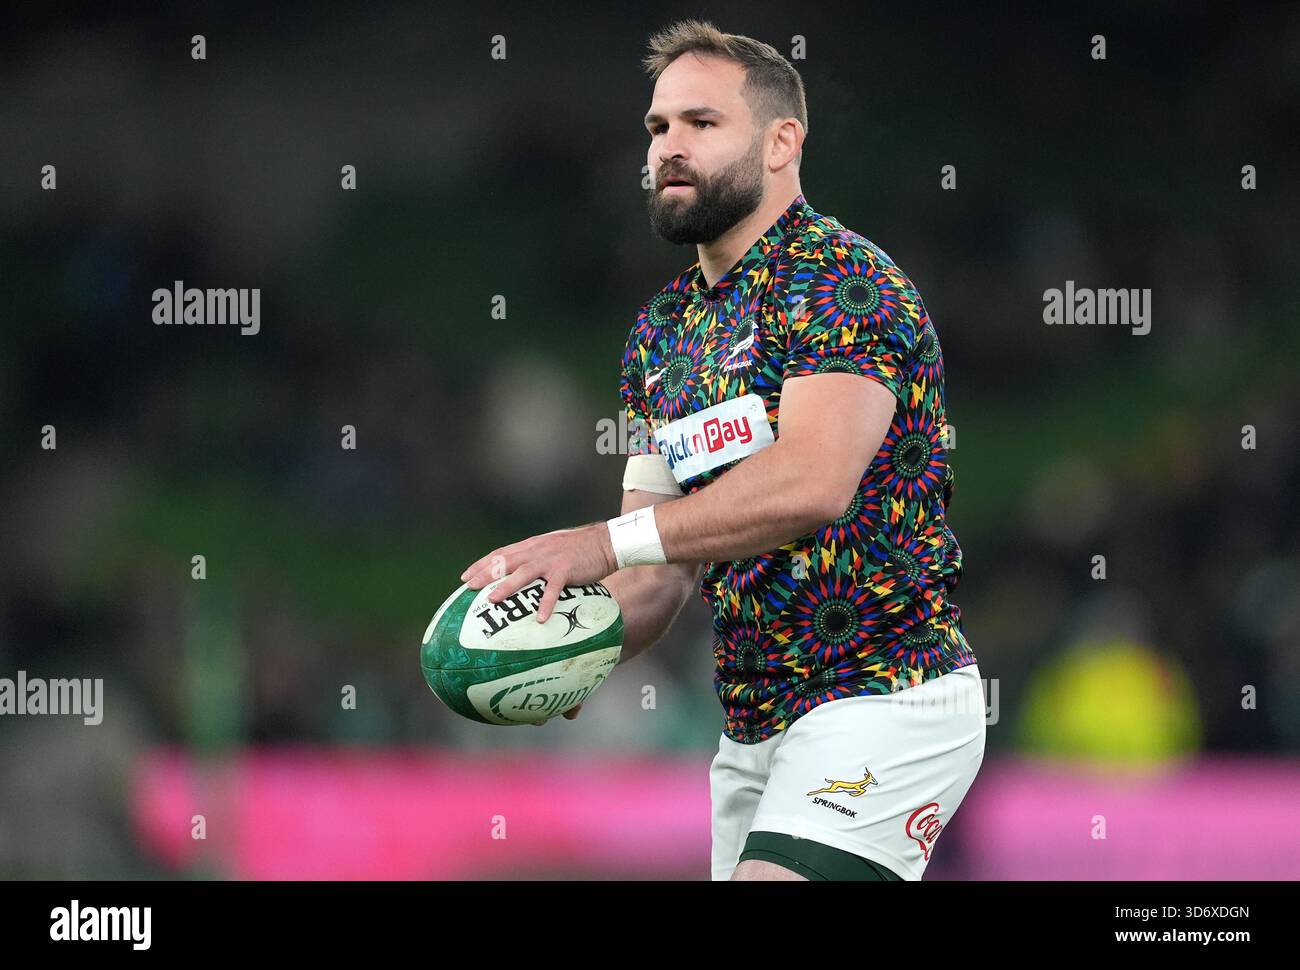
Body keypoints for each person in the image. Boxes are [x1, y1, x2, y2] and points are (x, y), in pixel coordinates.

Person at [460, 19, 984, 881]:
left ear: (783, 143)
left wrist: (595, 544)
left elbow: (813, 483)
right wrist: (562, 647)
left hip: (887, 695)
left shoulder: (845, 282)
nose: (670, 146)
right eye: (658, 128)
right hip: (751, 729)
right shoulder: (660, 335)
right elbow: (657, 571)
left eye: (702, 124)